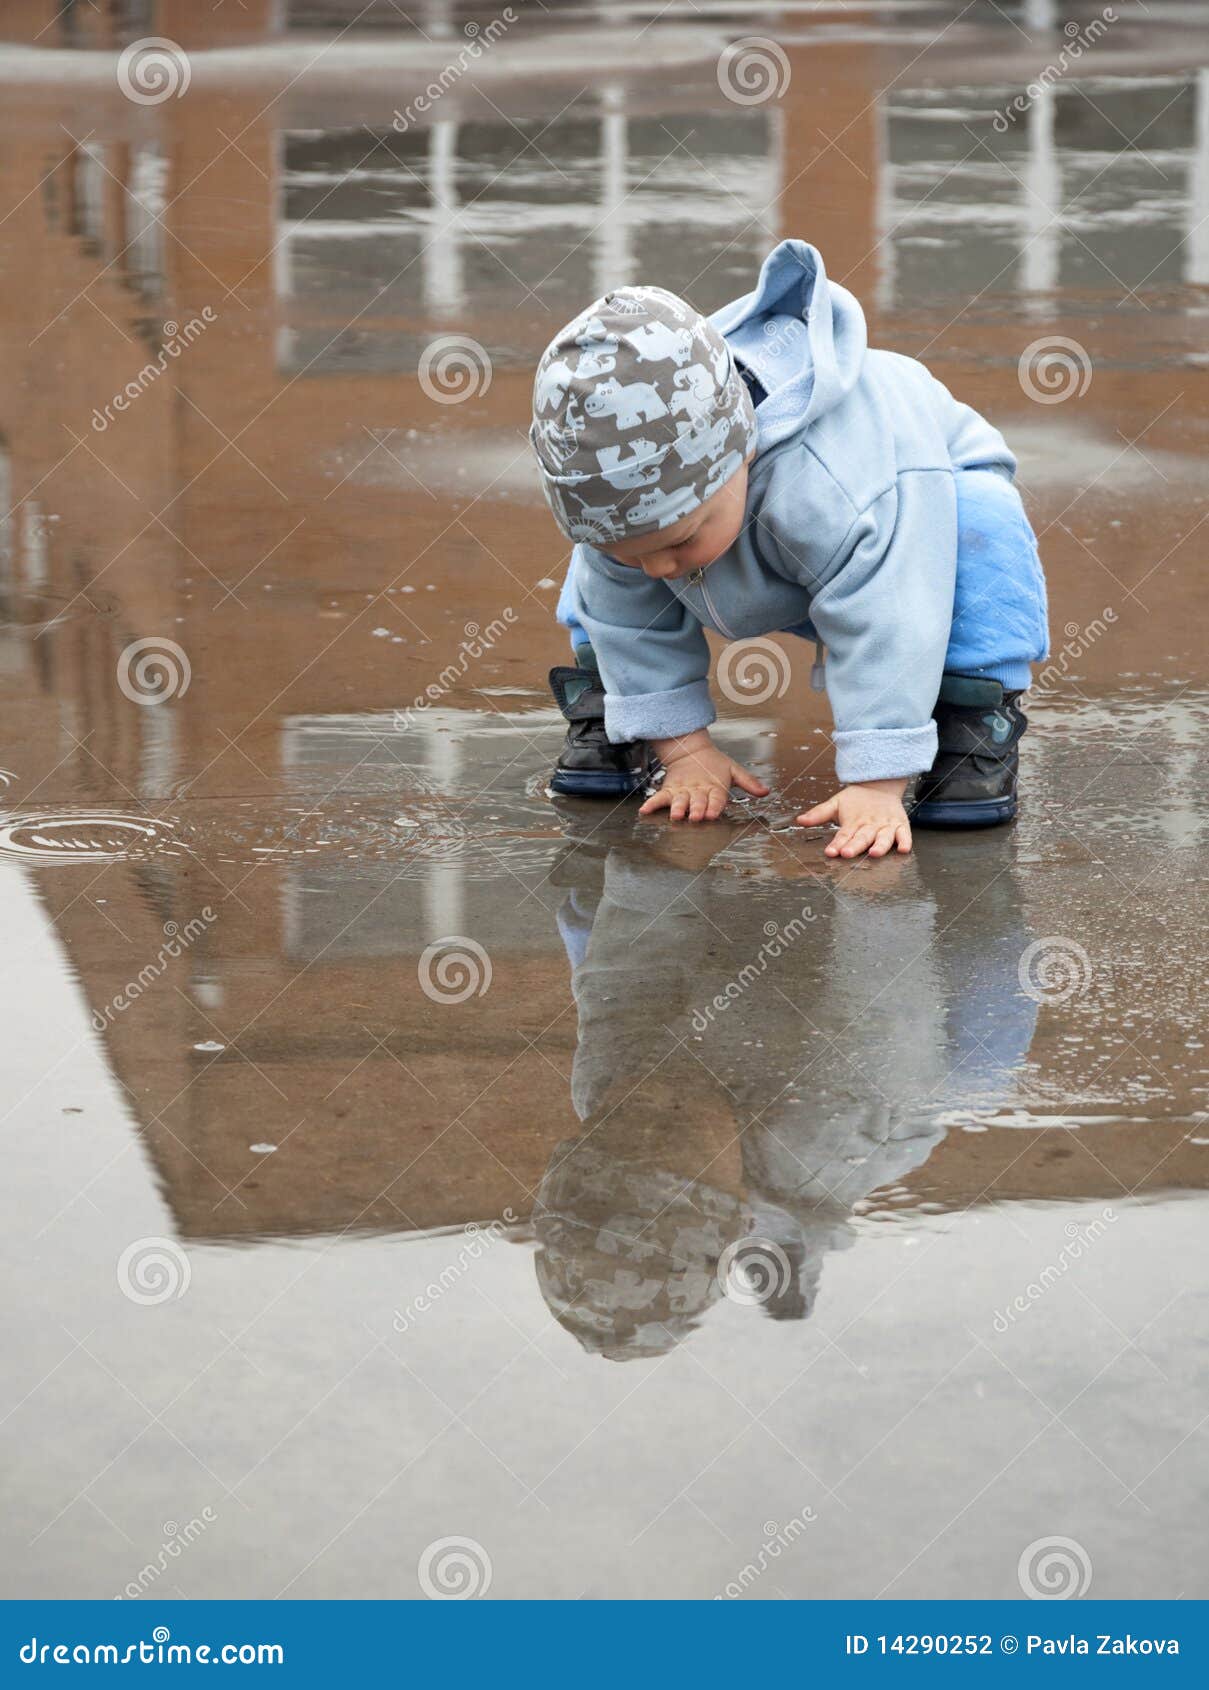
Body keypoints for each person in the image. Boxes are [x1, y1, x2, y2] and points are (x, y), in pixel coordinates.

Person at [529, 241, 1048, 859]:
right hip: (762, 546)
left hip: (918, 525)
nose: (658, 569)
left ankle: (973, 717)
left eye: (680, 538)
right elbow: (627, 604)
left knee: (984, 525)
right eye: (635, 552)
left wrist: (877, 782)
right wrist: (685, 750)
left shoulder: (831, 483)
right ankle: (614, 710)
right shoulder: (635, 520)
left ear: (740, 454)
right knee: (599, 571)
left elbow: (893, 619)